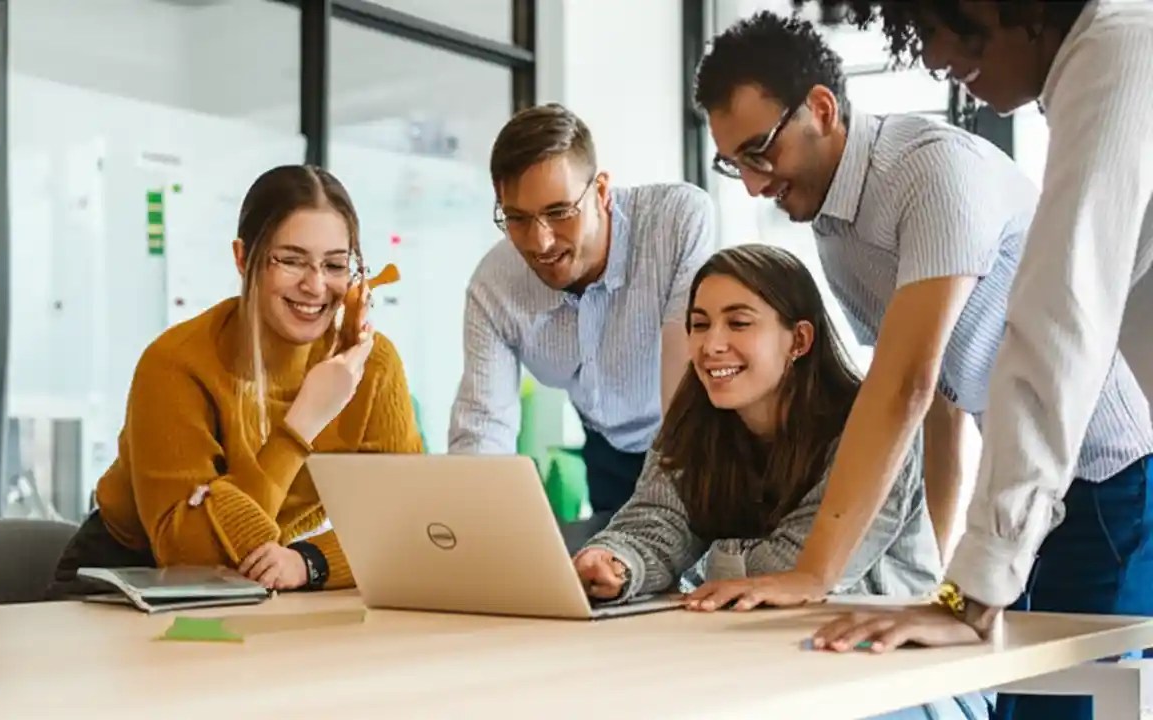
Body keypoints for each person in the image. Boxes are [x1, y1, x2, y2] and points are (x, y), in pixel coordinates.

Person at [684, 8, 1153, 688]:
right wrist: (945, 571)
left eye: (761, 150)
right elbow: (934, 401)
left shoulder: (932, 170)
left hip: (1109, 483)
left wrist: (817, 572)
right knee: (1017, 702)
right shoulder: (836, 235)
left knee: (1078, 702)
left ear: (820, 108)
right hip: (1033, 494)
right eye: (736, 166)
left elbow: (910, 379)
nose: (755, 182)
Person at [574, 245, 986, 720]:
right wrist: (616, 563)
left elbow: (799, 565)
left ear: (799, 340)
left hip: (896, 677)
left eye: (739, 323)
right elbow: (658, 521)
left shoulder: (869, 431)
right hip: (758, 667)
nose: (712, 345)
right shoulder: (694, 424)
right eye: (700, 323)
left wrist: (709, 560)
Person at [47, 165, 423, 598]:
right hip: (128, 576)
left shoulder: (371, 365)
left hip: (264, 575)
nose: (316, 285)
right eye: (291, 260)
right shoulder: (176, 363)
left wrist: (309, 563)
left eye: (335, 264)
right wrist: (301, 425)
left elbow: (402, 523)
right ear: (243, 259)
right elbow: (193, 557)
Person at [448, 103, 716, 516]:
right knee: (614, 574)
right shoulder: (495, 285)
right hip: (606, 448)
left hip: (697, 441)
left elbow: (686, 384)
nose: (540, 242)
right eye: (517, 218)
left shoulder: (676, 220)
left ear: (602, 192)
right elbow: (484, 428)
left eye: (559, 213)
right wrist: (477, 535)